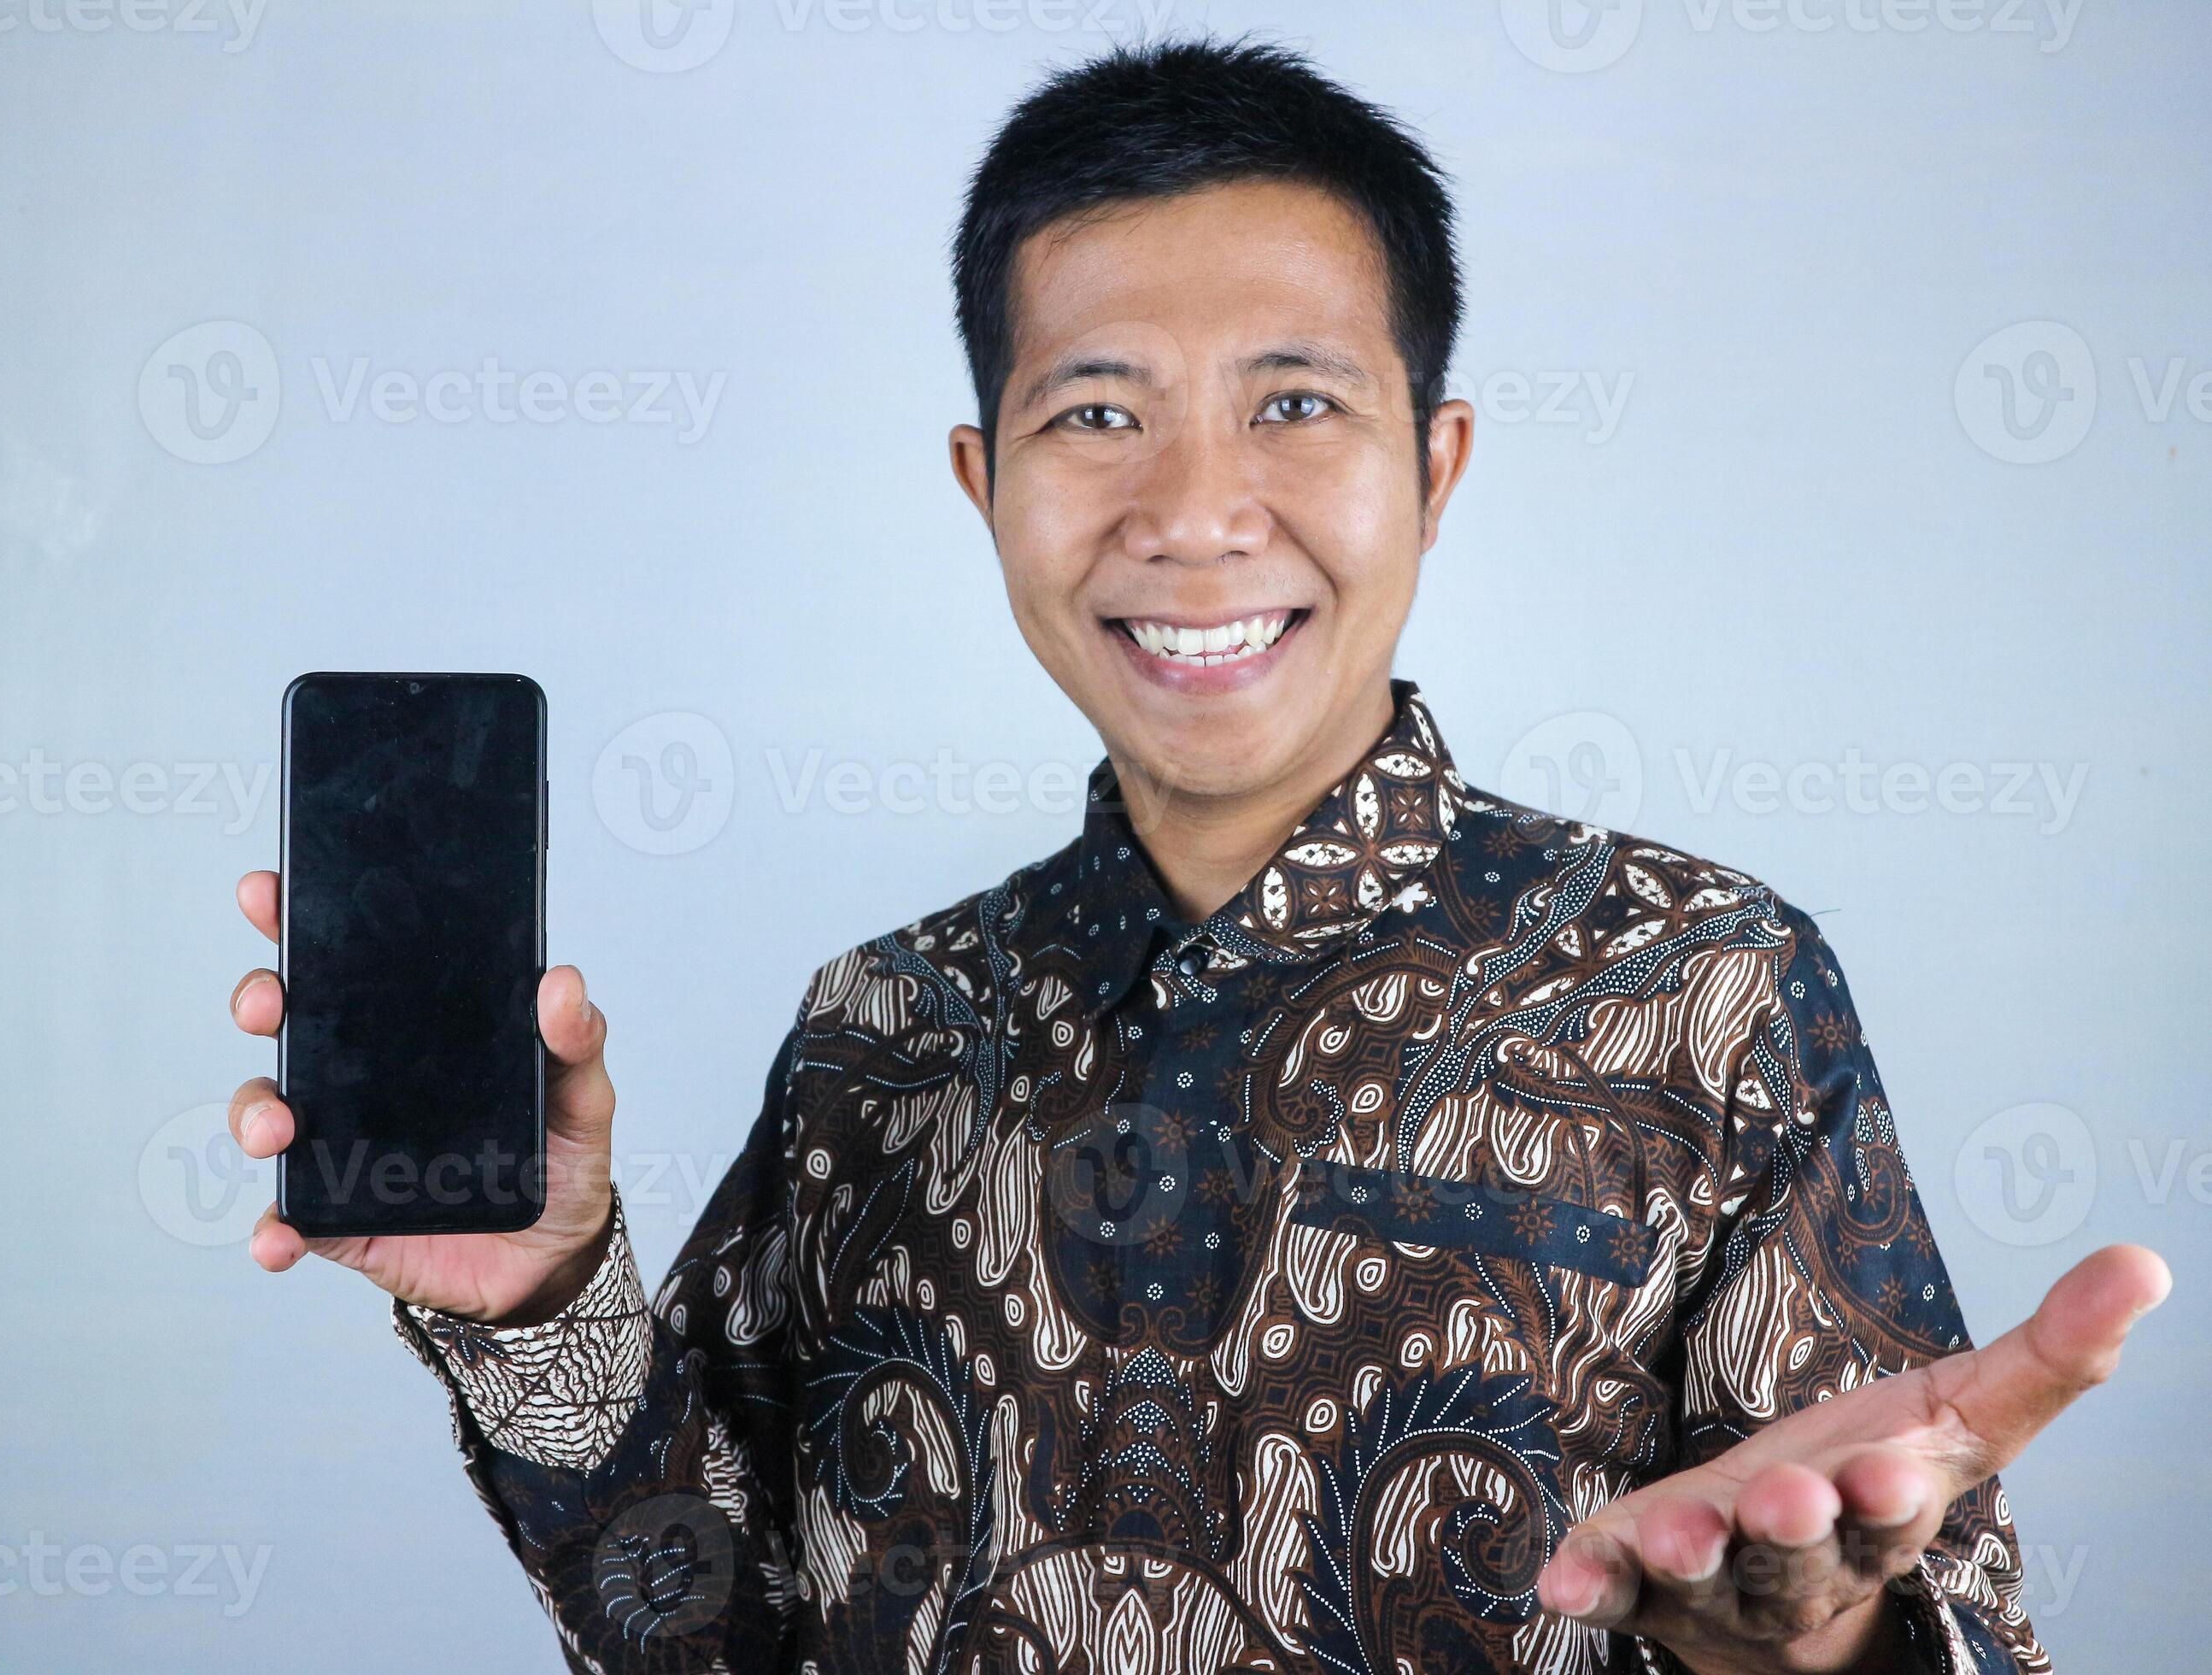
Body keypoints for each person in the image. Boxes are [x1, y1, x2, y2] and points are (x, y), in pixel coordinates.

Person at [221, 38, 2166, 1675]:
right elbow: (708, 1626)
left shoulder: (1703, 985)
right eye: (1095, 413)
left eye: (1296, 404)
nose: (1196, 511)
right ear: (984, 481)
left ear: (1438, 461)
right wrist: (536, 1303)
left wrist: (1820, 1640)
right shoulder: (883, 1028)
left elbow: (1926, 1595)